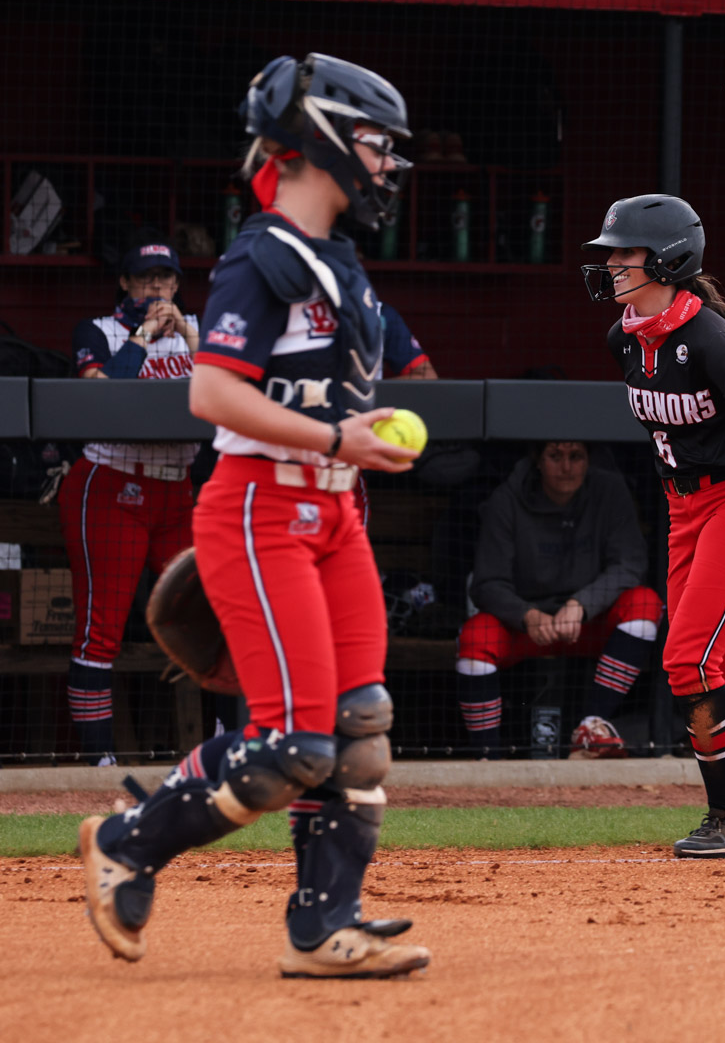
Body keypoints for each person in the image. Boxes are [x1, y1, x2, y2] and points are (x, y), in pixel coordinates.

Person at [77, 53, 431, 978]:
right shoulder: (261, 253)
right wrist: (337, 437)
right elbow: (213, 396)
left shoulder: (345, 263)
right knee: (288, 746)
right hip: (260, 508)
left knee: (360, 730)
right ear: (315, 141)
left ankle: (326, 929)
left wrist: (349, 449)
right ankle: (129, 841)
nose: (387, 161)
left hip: (335, 513)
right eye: (372, 142)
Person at [581, 192, 725, 858]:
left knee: (686, 659)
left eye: (624, 254)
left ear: (666, 259)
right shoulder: (622, 335)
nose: (612, 265)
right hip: (686, 507)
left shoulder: (708, 336)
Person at [60, 240, 200, 764]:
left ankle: (221, 751)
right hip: (114, 483)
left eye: (166, 280)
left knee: (202, 619)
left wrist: (188, 334)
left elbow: (232, 391)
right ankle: (101, 764)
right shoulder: (100, 330)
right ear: (125, 283)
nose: (156, 289)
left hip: (178, 492)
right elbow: (104, 399)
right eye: (146, 279)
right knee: (103, 626)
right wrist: (143, 337)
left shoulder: (198, 334)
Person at [455, 440, 663, 758]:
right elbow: (487, 584)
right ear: (538, 460)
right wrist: (528, 614)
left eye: (576, 456)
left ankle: (591, 727)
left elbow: (630, 564)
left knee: (645, 604)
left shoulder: (609, 490)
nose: (566, 467)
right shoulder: (507, 499)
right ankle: (488, 758)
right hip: (526, 627)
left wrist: (582, 605)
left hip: (588, 623)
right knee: (475, 637)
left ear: (588, 460)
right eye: (555, 456)